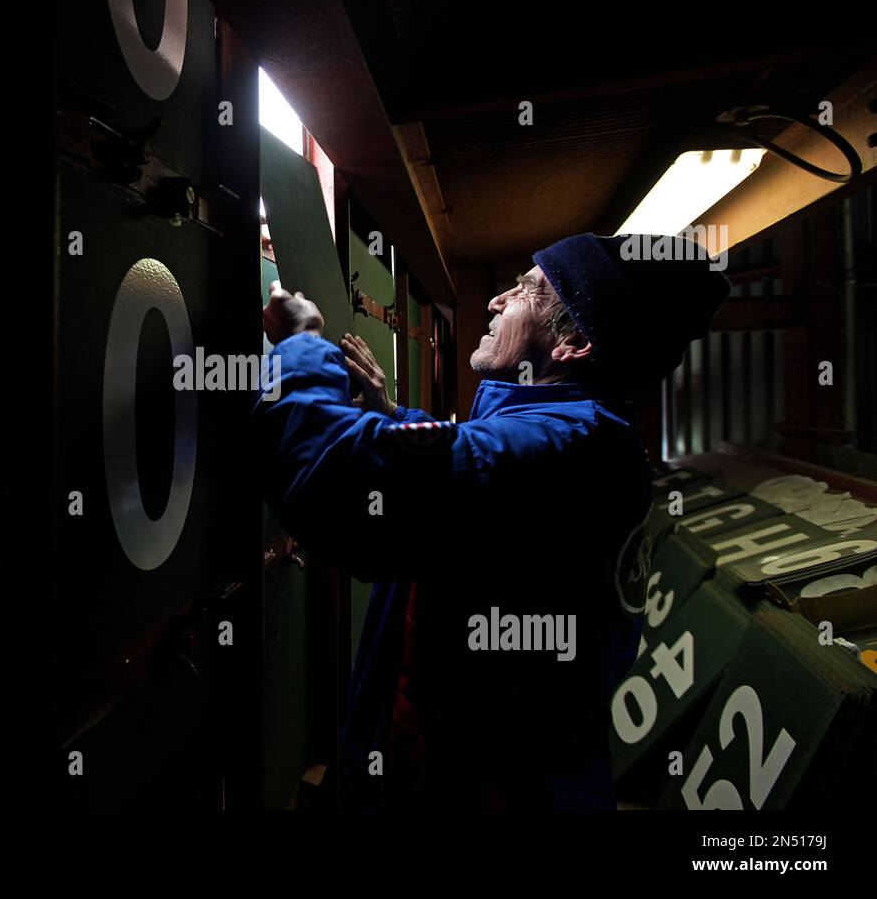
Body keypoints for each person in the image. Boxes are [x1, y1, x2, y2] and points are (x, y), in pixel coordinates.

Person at [253, 232, 730, 809]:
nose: (495, 301)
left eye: (525, 291)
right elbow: (478, 483)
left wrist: (303, 345)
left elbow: (337, 481)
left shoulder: (560, 450)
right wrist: (397, 422)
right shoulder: (590, 437)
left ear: (573, 340)